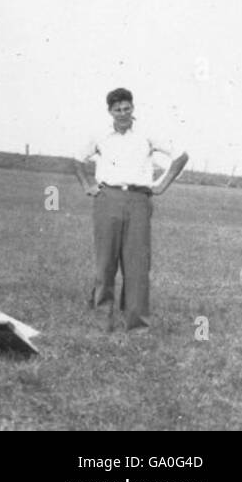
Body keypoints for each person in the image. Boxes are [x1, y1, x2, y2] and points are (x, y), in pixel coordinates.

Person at [72, 87, 188, 332]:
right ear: (110, 111)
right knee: (105, 263)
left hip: (138, 200)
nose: (123, 113)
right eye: (117, 109)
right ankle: (102, 323)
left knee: (137, 265)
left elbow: (181, 156)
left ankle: (137, 326)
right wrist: (88, 185)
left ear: (133, 108)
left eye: (127, 108)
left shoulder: (147, 133)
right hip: (108, 199)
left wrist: (161, 185)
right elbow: (77, 159)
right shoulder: (100, 135)